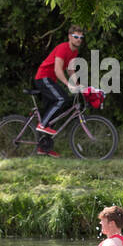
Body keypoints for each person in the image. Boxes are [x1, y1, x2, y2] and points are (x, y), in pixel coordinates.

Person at [32, 26, 84, 157]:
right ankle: (42, 124)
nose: (79, 40)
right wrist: (68, 84)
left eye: (81, 37)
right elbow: (58, 70)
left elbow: (70, 71)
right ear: (69, 36)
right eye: (76, 37)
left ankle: (44, 148)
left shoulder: (74, 52)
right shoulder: (63, 48)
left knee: (56, 111)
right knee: (62, 99)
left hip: (50, 81)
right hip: (43, 78)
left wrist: (78, 85)